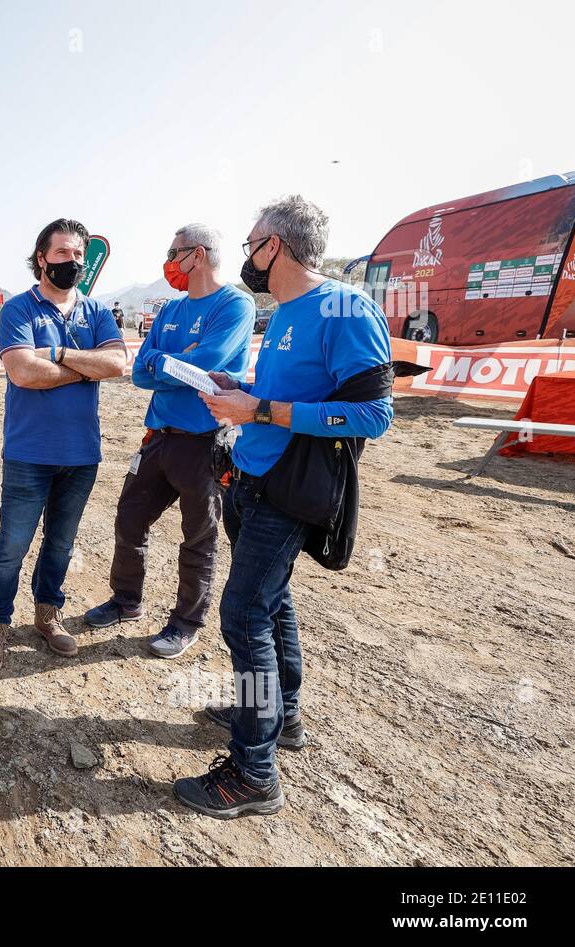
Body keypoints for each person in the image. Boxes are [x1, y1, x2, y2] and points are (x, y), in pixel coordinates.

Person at [171, 196, 394, 819]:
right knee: (272, 603)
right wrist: (242, 391)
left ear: (277, 245)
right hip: (253, 475)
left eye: (251, 243)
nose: (245, 255)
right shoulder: (288, 309)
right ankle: (282, 716)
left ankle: (254, 772)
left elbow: (375, 415)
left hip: (292, 487)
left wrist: (261, 411)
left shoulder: (347, 308)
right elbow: (289, 391)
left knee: (243, 615)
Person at [83, 224, 254, 659]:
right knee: (129, 518)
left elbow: (209, 365)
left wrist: (168, 361)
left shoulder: (235, 304)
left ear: (196, 254)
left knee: (199, 536)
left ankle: (185, 623)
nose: (169, 261)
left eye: (173, 252)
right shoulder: (171, 309)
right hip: (158, 437)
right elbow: (141, 371)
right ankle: (127, 601)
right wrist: (174, 361)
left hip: (204, 443)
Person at [0, 218, 130, 671]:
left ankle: (48, 616)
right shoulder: (18, 310)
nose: (73, 261)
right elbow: (23, 372)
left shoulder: (97, 312)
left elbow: (118, 364)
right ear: (41, 258)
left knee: (60, 545)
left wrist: (59, 356)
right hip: (29, 452)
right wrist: (86, 369)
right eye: (63, 253)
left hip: (81, 454)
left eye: (79, 254)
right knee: (12, 545)